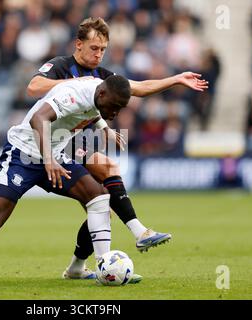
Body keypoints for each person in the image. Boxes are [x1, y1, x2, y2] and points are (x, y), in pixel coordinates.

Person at [27, 17, 209, 282]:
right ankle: (139, 232)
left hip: (74, 142)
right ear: (78, 45)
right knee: (108, 173)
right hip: (52, 141)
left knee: (103, 210)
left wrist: (176, 79)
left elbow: (140, 88)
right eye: (93, 48)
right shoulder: (61, 66)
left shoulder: (103, 77)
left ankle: (78, 267)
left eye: (102, 49)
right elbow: (34, 86)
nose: (98, 54)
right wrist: (78, 84)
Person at [0, 75, 131, 285]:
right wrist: (48, 160)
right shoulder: (74, 96)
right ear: (102, 93)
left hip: (53, 155)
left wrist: (105, 130)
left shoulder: (99, 94)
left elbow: (118, 99)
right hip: (23, 154)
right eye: (115, 106)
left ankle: (100, 266)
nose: (116, 112)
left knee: (99, 197)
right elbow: (39, 118)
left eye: (121, 107)